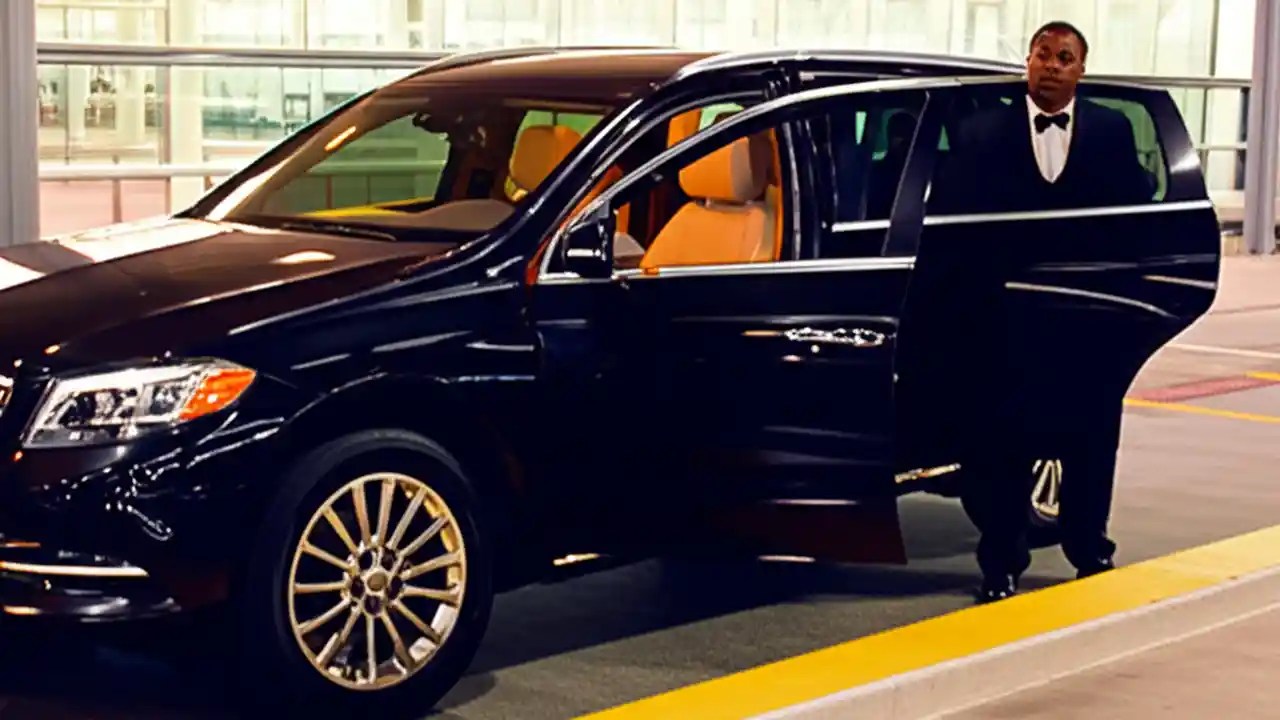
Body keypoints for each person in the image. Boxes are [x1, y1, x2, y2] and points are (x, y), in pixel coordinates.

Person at [929, 21, 1154, 603]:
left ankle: (1090, 550)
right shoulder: (981, 131)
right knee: (1000, 446)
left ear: (1081, 69)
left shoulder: (1111, 129)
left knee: (1091, 441)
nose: (1051, 65)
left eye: (1064, 57)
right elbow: (953, 226)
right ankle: (1001, 564)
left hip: (1085, 326)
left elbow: (1136, 219)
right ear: (1027, 62)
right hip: (1003, 326)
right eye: (1042, 54)